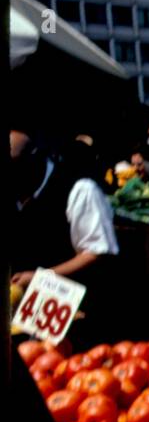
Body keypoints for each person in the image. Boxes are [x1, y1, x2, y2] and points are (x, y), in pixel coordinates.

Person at [11, 131, 122, 344]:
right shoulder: (16, 193)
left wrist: (39, 278)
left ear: (32, 163)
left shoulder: (79, 189)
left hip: (75, 314)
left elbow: (97, 253)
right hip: (27, 316)